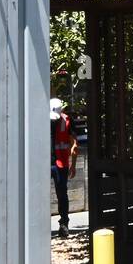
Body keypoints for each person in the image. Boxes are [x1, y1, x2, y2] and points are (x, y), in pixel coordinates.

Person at [51, 98, 78, 237]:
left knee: (62, 194)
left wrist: (73, 165)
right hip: (53, 163)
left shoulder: (67, 120)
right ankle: (63, 224)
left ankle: (64, 224)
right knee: (61, 194)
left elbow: (74, 146)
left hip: (60, 163)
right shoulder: (40, 118)